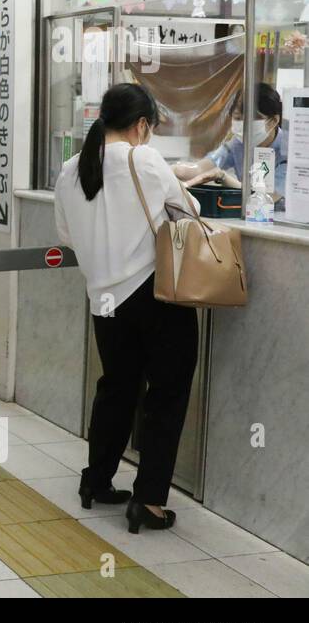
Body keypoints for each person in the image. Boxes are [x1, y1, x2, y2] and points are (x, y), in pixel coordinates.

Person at [54, 83, 200, 534]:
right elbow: (188, 210)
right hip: (153, 294)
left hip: (103, 298)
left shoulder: (70, 169)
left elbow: (67, 236)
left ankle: (96, 482)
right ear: (141, 125)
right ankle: (149, 501)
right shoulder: (144, 159)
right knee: (166, 394)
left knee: (116, 387)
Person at [174, 83, 287, 209]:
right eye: (238, 118)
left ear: (273, 121)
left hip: (280, 222)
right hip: (248, 214)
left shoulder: (287, 152)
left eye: (250, 119)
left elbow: (267, 197)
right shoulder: (238, 144)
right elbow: (200, 168)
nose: (242, 125)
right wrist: (167, 169)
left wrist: (224, 178)